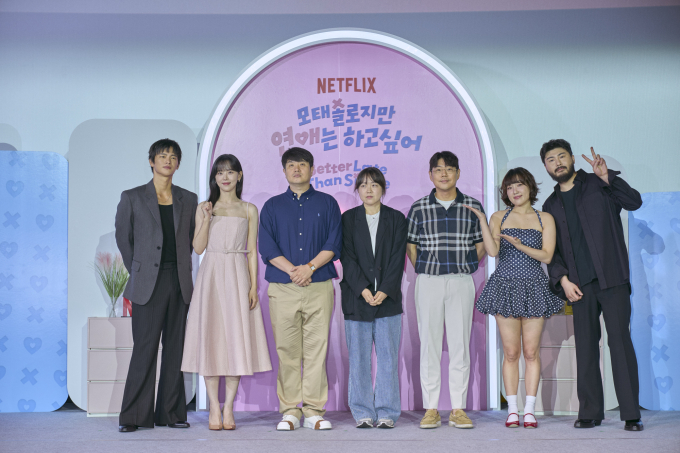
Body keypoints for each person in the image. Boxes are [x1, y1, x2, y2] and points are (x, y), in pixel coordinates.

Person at [540, 139, 643, 431]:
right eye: (551, 160)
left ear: (572, 158)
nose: (558, 163)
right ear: (546, 167)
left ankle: (631, 413)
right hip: (578, 286)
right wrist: (562, 280)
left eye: (562, 156)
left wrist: (607, 177)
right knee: (585, 348)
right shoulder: (549, 206)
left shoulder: (599, 184)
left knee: (619, 342)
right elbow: (552, 252)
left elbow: (634, 202)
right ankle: (589, 412)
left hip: (612, 279)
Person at [466, 168, 563, 429]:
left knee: (531, 352)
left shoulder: (545, 218)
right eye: (509, 187)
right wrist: (484, 222)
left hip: (534, 286)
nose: (515, 191)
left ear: (530, 186)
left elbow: (547, 256)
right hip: (505, 286)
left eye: (519, 185)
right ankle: (512, 410)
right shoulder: (500, 216)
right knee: (511, 353)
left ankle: (529, 410)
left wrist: (520, 245)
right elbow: (493, 251)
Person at [181, 154, 272, 431]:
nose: (225, 177)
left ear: (239, 176)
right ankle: (213, 407)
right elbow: (198, 247)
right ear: (215, 177)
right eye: (220, 172)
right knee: (211, 338)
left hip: (236, 273)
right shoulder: (205, 207)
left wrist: (253, 286)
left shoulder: (249, 209)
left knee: (235, 339)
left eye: (230, 172)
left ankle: (229, 407)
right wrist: (206, 218)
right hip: (211, 273)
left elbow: (252, 251)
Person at [115, 139, 198, 432]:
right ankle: (134, 417)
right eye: (162, 156)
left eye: (173, 157)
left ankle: (171, 414)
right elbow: (124, 239)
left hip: (179, 280)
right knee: (145, 348)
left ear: (178, 164)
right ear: (152, 161)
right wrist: (139, 272)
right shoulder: (133, 197)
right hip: (148, 283)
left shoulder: (189, 199)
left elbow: (191, 239)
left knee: (175, 348)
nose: (168, 160)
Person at [258, 147, 342, 431]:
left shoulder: (328, 203)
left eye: (302, 164)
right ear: (284, 171)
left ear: (312, 169)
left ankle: (314, 410)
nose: (297, 169)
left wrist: (310, 268)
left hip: (318, 285)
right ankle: (291, 410)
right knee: (287, 350)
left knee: (317, 350)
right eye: (291, 165)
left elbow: (334, 242)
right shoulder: (272, 206)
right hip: (283, 287)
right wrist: (294, 271)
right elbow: (267, 247)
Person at [406, 151, 486, 429]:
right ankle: (431, 409)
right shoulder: (419, 208)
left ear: (458, 173)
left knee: (460, 345)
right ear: (431, 175)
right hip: (428, 281)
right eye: (438, 170)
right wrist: (427, 269)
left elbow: (481, 243)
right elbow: (411, 246)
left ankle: (457, 409)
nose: (444, 174)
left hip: (461, 281)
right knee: (429, 344)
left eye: (449, 169)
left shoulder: (472, 206)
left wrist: (467, 265)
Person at [340, 167, 407, 429]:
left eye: (374, 185)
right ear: (357, 190)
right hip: (357, 299)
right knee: (358, 359)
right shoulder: (348, 219)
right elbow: (347, 257)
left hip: (388, 301)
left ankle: (387, 412)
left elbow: (397, 258)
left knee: (388, 358)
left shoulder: (396, 218)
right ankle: (362, 412)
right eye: (363, 185)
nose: (369, 190)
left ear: (383, 188)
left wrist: (385, 290)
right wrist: (364, 289)